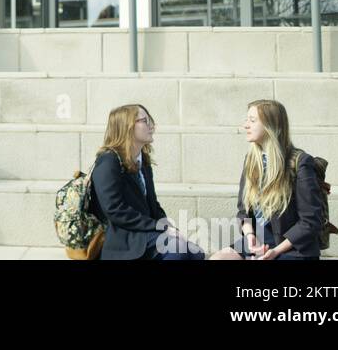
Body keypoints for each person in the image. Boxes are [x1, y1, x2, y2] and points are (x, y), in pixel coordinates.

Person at [210, 100, 323, 261]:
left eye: (253, 120)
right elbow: (244, 211)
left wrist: (276, 251)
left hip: (293, 247)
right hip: (260, 240)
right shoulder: (251, 159)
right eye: (247, 119)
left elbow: (310, 221)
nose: (246, 125)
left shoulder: (300, 162)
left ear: (271, 126)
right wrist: (250, 236)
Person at [90, 104, 203, 260]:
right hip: (124, 240)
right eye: (145, 121)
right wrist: (158, 227)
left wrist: (170, 228)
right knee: (177, 252)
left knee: (196, 253)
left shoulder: (143, 161)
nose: (152, 125)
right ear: (127, 127)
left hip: (146, 235)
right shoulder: (108, 162)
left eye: (150, 120)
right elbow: (114, 209)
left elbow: (153, 205)